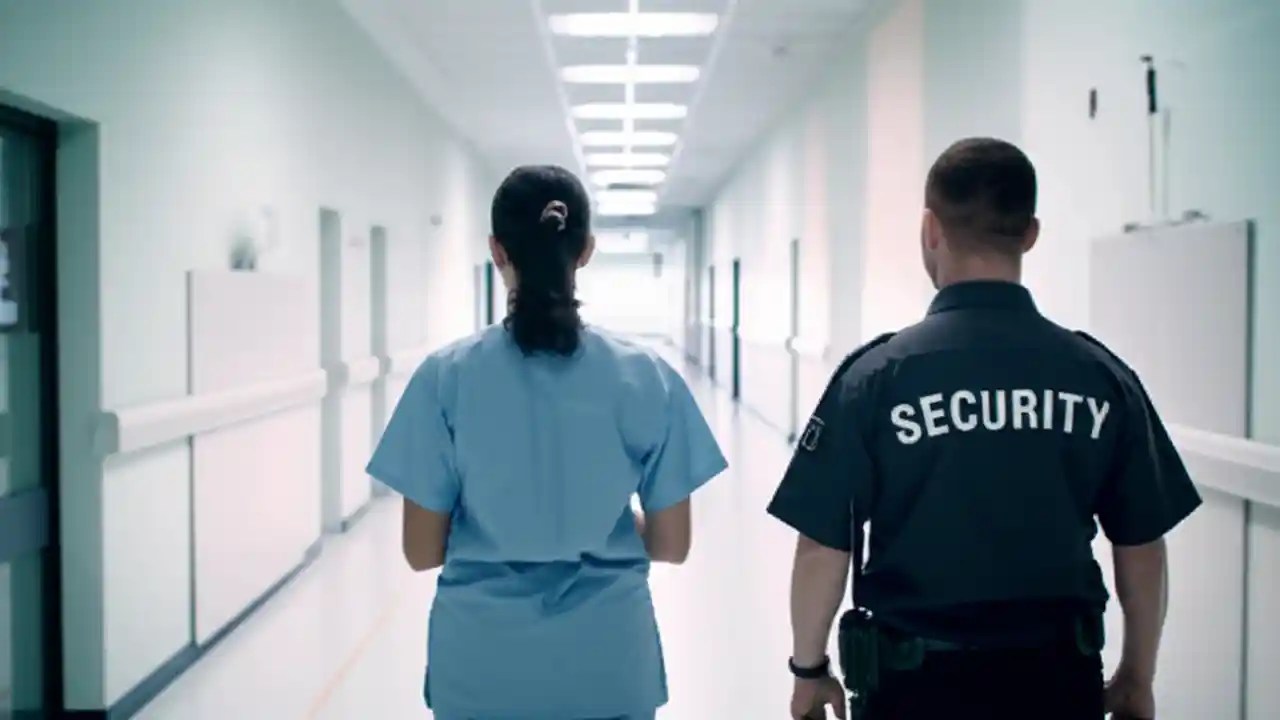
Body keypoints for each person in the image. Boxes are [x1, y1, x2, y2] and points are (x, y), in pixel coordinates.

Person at [767, 138, 1202, 720]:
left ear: (930, 229)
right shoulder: (1099, 376)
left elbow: (823, 545)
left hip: (915, 687)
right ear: (1030, 233)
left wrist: (810, 670)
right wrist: (1136, 676)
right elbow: (1142, 546)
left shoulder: (875, 379)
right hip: (1056, 682)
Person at [366, 165, 727, 720]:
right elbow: (672, 544)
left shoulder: (445, 378)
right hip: (608, 665)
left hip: (482, 671)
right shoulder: (645, 376)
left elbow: (421, 552)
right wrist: (610, 519)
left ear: (497, 250)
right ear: (585, 250)